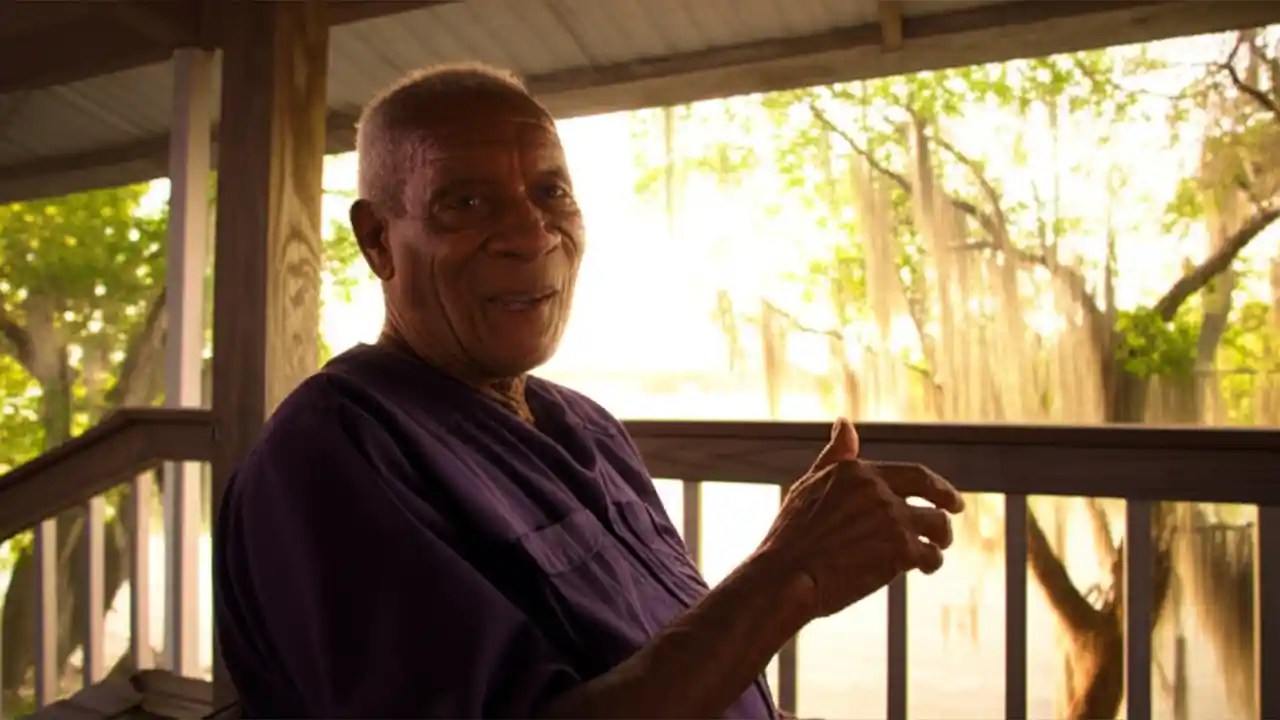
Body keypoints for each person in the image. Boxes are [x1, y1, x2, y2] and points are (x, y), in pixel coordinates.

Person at [213, 62, 965, 719]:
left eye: (551, 193)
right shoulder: (336, 450)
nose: (530, 234)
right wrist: (790, 576)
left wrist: (783, 555)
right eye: (466, 204)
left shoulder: (587, 426)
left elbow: (668, 669)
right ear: (379, 240)